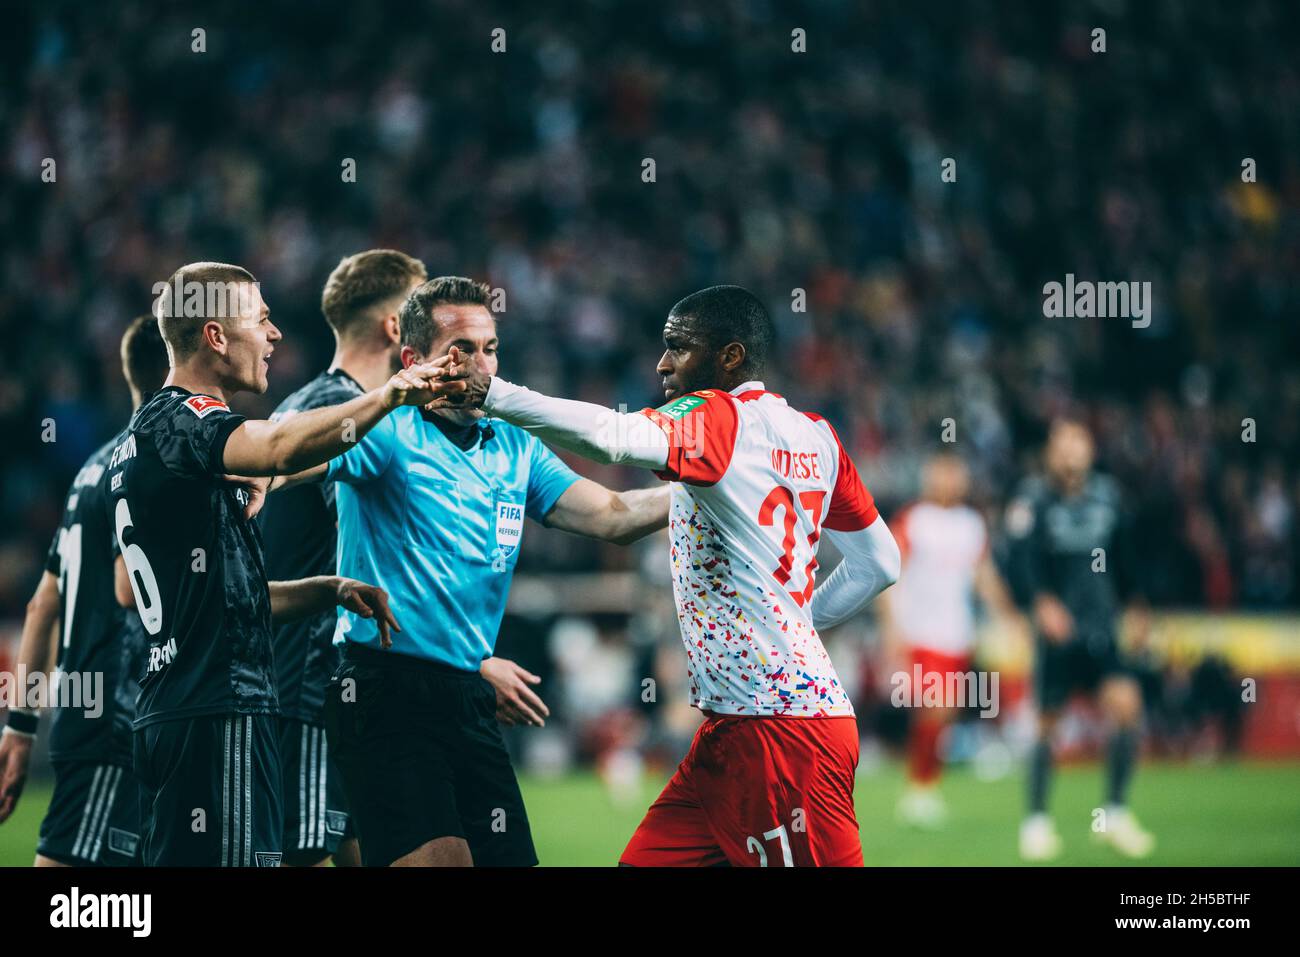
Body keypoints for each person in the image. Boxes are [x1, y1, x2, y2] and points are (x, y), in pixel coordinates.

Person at [444, 284, 902, 866]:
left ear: (729, 357)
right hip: (734, 731)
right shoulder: (818, 435)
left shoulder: (717, 414)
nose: (662, 363)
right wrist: (799, 624)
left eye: (678, 348)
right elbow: (879, 563)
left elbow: (612, 438)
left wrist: (494, 394)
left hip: (782, 735)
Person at [269, 275, 670, 867]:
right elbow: (284, 459)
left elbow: (613, 516)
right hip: (383, 690)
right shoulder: (385, 431)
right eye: (461, 350)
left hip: (469, 697)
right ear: (411, 360)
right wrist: (251, 472)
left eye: (489, 348)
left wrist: (714, 491)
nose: (479, 364)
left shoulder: (515, 444)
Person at [108, 261, 459, 866]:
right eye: (262, 320)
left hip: (174, 709)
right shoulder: (187, 420)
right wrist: (393, 393)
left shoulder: (140, 441)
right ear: (216, 335)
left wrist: (329, 588)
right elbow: (275, 445)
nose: (274, 335)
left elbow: (231, 599)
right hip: (220, 710)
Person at [259, 250, 549, 866]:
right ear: (400, 331)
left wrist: (463, 662)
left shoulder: (355, 410)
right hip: (316, 683)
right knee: (306, 853)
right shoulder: (351, 417)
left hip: (354, 678)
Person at [0, 315, 168, 865]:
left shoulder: (93, 468)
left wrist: (21, 726)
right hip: (117, 722)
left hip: (90, 716)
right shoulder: (152, 463)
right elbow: (128, 586)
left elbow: (41, 603)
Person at [1005, 418, 1155, 860]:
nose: (1071, 451)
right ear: (1051, 452)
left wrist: (1137, 605)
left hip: (1102, 628)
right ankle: (1035, 822)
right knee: (1048, 726)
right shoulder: (1033, 500)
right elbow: (1019, 562)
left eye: (1079, 441)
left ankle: (1114, 814)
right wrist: (1040, 602)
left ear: (1090, 449)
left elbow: (1126, 558)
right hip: (1058, 633)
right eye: (1063, 443)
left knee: (1127, 708)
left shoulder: (1109, 497)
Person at [876, 452, 1016, 829]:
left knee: (947, 711)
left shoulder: (972, 524)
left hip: (958, 633)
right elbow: (888, 573)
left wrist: (1008, 614)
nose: (949, 481)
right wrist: (892, 627)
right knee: (935, 706)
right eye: (942, 473)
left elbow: (984, 575)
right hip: (921, 631)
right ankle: (918, 789)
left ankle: (925, 787)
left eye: (955, 474)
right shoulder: (913, 519)